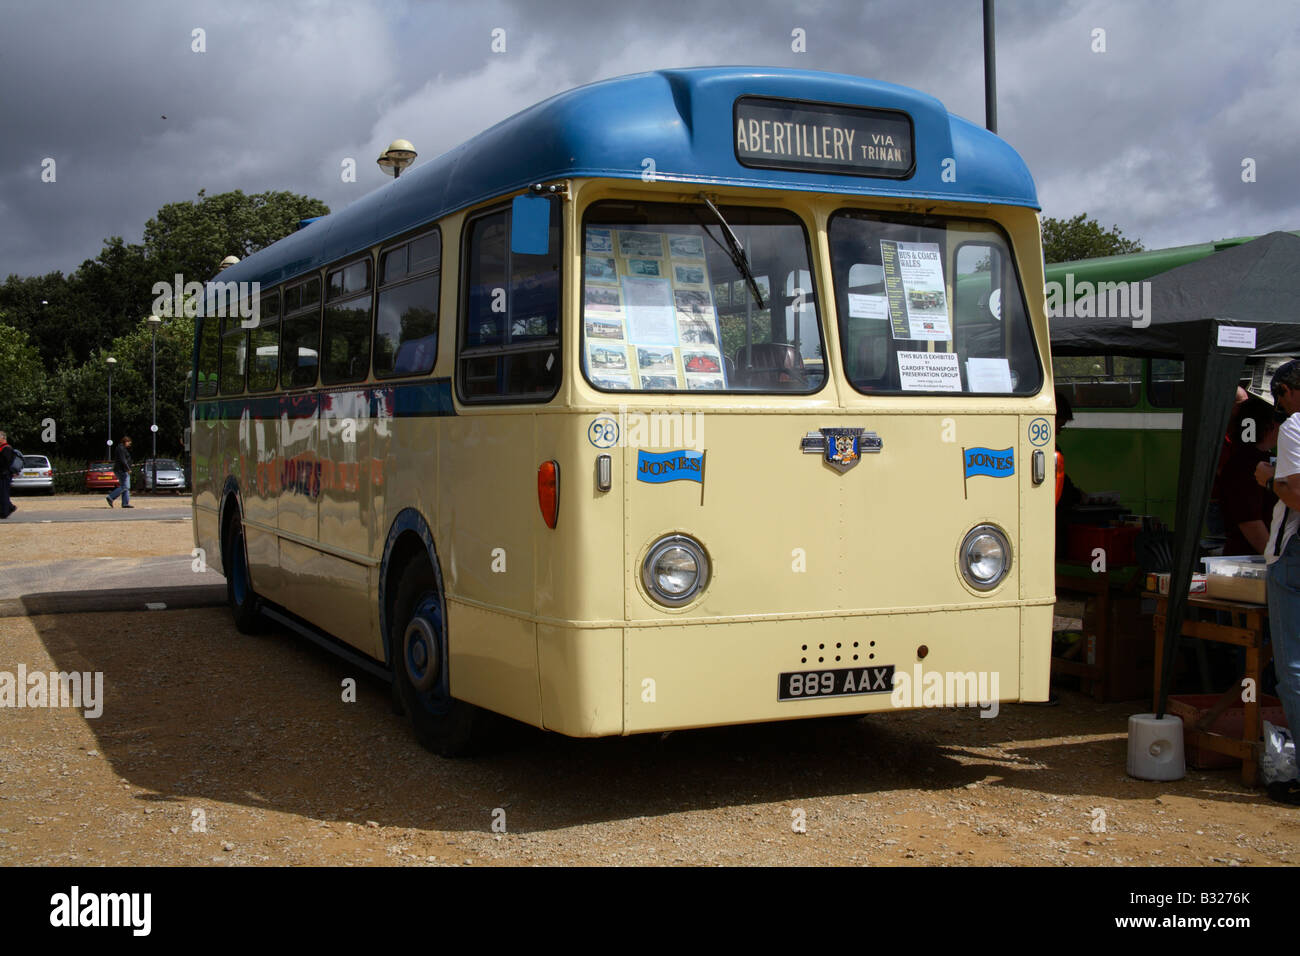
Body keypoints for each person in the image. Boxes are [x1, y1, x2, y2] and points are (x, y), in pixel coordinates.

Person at [1254, 360, 1300, 804]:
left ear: (1286, 391)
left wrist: (1271, 480)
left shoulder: (1295, 426)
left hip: (1294, 553)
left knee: (1292, 670)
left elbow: (1297, 494)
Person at [1219, 394, 1279, 555]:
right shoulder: (1245, 465)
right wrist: (1275, 559)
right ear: (1270, 425)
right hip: (1249, 558)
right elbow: (1250, 522)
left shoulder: (1252, 459)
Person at [106, 435, 134, 509]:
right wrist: (128, 468)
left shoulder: (122, 448)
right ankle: (111, 497)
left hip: (121, 469)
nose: (129, 445)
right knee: (125, 486)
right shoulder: (121, 448)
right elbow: (123, 460)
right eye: (129, 443)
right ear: (126, 441)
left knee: (126, 487)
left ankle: (125, 503)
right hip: (122, 470)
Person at [0, 431, 16, 519]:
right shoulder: (2, 448)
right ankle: (10, 507)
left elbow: (5, 462)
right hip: (3, 474)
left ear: (3, 438)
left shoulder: (7, 448)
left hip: (4, 474)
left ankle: (4, 512)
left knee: (3, 493)